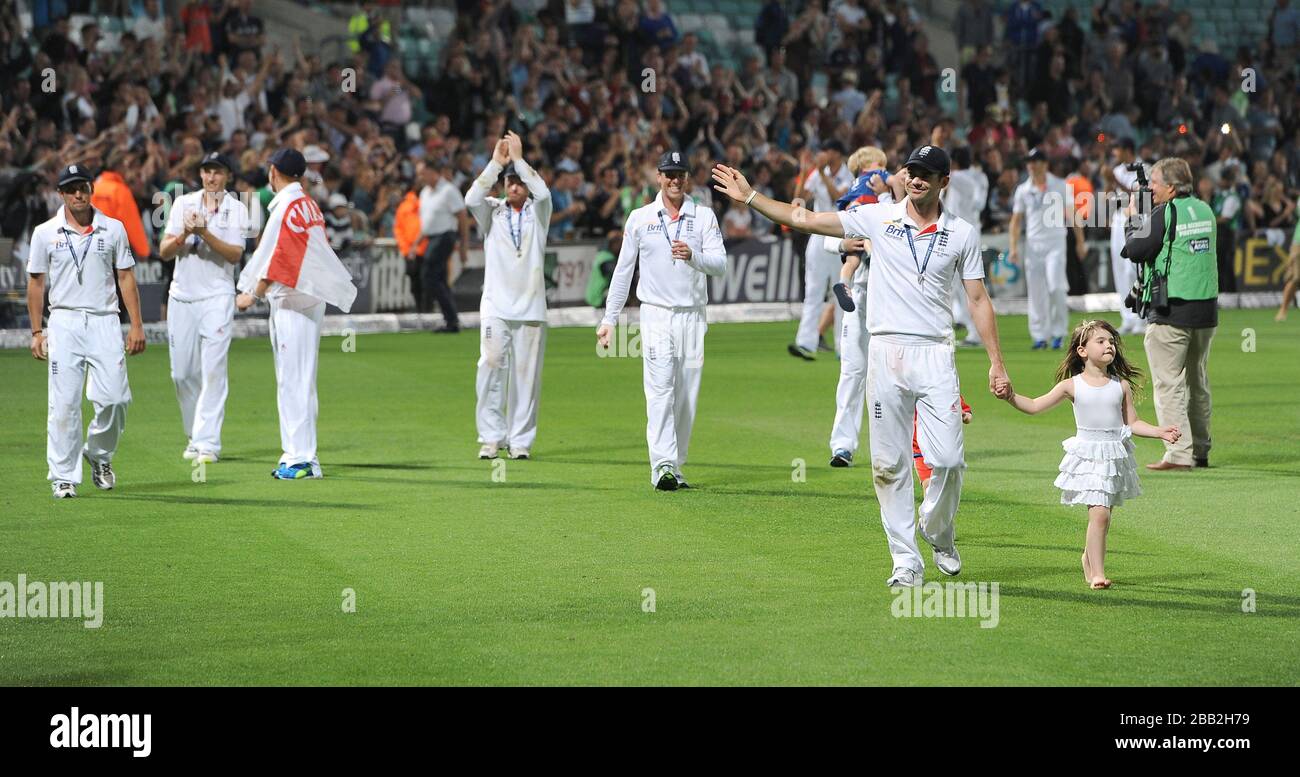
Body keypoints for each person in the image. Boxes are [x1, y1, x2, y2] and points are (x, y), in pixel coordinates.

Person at [712, 145, 1013, 588]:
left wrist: (996, 364)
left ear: (943, 181)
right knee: (889, 464)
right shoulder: (878, 216)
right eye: (912, 171)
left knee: (949, 460)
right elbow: (806, 220)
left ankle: (937, 530)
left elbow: (978, 299)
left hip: (934, 353)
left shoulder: (962, 233)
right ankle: (905, 561)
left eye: (927, 174)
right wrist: (752, 197)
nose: (916, 179)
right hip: (886, 350)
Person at [1002, 319, 1180, 588]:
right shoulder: (1072, 386)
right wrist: (1010, 396)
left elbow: (1131, 423)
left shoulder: (1120, 386)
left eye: (1111, 342)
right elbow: (1036, 405)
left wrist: (1159, 431)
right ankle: (1097, 573)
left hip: (1114, 455)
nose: (1109, 346)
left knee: (1104, 515)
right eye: (1101, 341)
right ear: (1082, 351)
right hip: (1088, 455)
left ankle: (1088, 558)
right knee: (1100, 515)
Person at [597, 151, 728, 490]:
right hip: (654, 313)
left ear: (687, 178)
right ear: (658, 177)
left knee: (686, 395)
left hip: (692, 314)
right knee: (659, 390)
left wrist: (694, 257)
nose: (674, 180)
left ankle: (677, 464)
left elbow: (720, 264)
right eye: (668, 174)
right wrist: (609, 319)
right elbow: (623, 270)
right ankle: (663, 465)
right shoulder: (640, 218)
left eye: (680, 174)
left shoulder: (703, 216)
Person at [235, 148, 358, 480]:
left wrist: (253, 293)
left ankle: (302, 458)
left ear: (274, 172)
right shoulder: (305, 202)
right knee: (298, 378)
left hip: (293, 299)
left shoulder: (288, 206)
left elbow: (283, 257)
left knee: (295, 379)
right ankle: (296, 454)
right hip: (305, 297)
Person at [26, 164, 147, 499]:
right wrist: (37, 331)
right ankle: (63, 476)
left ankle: (99, 453)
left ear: (91, 189)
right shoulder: (45, 233)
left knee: (116, 399)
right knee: (63, 404)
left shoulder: (113, 228)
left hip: (105, 320)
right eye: (71, 189)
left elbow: (125, 276)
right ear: (61, 194)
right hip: (63, 321)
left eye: (83, 187)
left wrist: (136, 324)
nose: (78, 194)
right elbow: (36, 283)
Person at [1122, 157, 1218, 471]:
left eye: (1156, 183)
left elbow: (1135, 250)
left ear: (1171, 188)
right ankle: (1200, 451)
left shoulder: (1166, 212)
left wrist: (1133, 219)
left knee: (1169, 385)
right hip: (1205, 311)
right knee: (1197, 381)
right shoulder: (1205, 210)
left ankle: (1178, 455)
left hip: (1172, 310)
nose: (1151, 187)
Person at [464, 131, 553, 461]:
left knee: (526, 378)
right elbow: (470, 199)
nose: (513, 186)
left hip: (531, 307)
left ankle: (520, 441)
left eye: (518, 181)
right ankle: (490, 436)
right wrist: (496, 165)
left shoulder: (539, 212)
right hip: (496, 307)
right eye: (509, 182)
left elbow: (544, 192)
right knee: (489, 366)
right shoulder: (493, 211)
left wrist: (518, 160)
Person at [157, 151, 249, 464]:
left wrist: (204, 233)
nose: (211, 178)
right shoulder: (183, 204)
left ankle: (208, 443)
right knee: (181, 373)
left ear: (228, 177)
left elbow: (235, 255)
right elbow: (165, 252)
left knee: (213, 370)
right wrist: (185, 232)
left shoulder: (237, 209)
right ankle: (194, 435)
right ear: (200, 175)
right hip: (182, 296)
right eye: (207, 172)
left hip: (217, 297)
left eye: (218, 172)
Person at [826, 145, 892, 468]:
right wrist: (841, 242)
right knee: (853, 369)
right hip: (863, 296)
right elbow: (824, 235)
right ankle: (843, 446)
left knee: (886, 372)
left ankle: (890, 442)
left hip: (885, 295)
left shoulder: (866, 197)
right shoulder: (879, 193)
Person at [1010, 148, 1080, 349]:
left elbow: (1072, 213)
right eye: (1029, 162)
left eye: (1036, 161)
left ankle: (1058, 332)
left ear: (1045, 164)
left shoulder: (1059, 185)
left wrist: (1080, 240)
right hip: (1033, 246)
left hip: (1055, 243)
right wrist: (1014, 247)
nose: (1032, 165)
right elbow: (1016, 220)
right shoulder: (1023, 189)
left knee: (1056, 287)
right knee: (1036, 292)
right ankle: (1040, 335)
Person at [789, 140, 852, 360]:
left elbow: (839, 199)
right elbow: (799, 202)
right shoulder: (817, 173)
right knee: (813, 291)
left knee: (840, 291)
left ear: (837, 153)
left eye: (828, 150)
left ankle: (843, 347)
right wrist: (805, 173)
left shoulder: (847, 174)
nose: (823, 154)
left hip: (838, 235)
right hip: (817, 238)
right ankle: (806, 342)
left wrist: (821, 175)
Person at [943, 146, 989, 346]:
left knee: (953, 285)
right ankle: (968, 327)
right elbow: (979, 204)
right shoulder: (980, 177)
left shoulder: (958, 177)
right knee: (968, 285)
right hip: (971, 233)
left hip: (955, 234)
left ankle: (965, 329)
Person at [417, 159, 467, 333]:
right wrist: (417, 242)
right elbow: (427, 222)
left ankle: (451, 318)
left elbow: (461, 216)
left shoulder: (448, 190)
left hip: (445, 236)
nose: (421, 176)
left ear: (434, 172)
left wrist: (463, 246)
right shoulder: (425, 192)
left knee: (429, 275)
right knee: (440, 279)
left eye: (423, 173)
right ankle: (451, 321)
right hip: (432, 237)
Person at [1109, 139, 1148, 335]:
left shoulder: (1144, 168)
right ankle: (1127, 318)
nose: (1115, 152)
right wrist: (1109, 182)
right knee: (1119, 269)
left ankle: (1142, 317)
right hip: (1118, 218)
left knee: (1134, 268)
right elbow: (1112, 196)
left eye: (1117, 148)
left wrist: (1115, 181)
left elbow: (1139, 197)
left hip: (1138, 217)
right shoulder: (1116, 171)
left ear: (1128, 150)